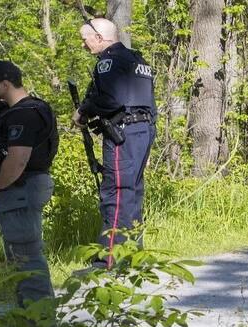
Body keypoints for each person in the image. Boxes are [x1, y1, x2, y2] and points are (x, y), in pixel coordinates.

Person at [0, 60, 59, 307]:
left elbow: (18, 160)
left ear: (4, 83)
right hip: (20, 187)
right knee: (19, 260)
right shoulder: (12, 112)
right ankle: (29, 323)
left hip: (20, 187)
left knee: (26, 259)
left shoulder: (25, 113)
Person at [73, 17, 157, 272]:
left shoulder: (108, 63)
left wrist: (83, 111)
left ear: (99, 37)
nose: (84, 45)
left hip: (123, 132)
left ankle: (108, 259)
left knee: (116, 193)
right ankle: (133, 256)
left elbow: (110, 100)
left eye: (85, 39)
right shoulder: (138, 61)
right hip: (143, 130)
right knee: (132, 193)